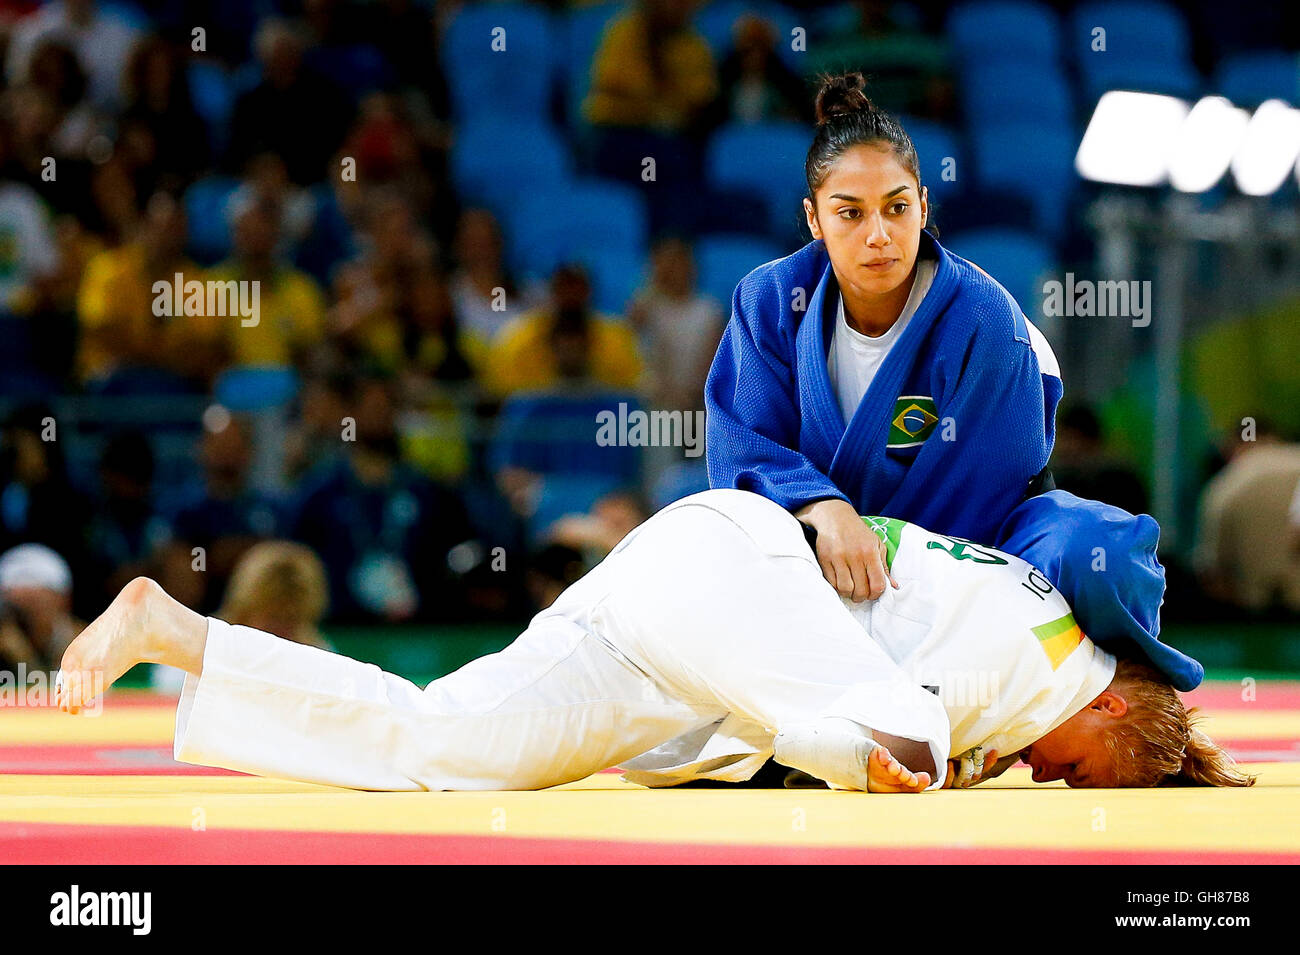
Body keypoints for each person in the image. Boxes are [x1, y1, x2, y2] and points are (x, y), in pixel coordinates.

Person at [56, 489, 1252, 793]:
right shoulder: (1033, 656)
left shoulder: (1044, 654)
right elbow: (886, 730)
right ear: (1110, 708)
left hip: (679, 616)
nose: (1055, 780)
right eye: (1084, 774)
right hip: (732, 568)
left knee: (447, 744)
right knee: (916, 746)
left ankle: (179, 632)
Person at [703, 72, 1199, 694]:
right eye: (849, 214)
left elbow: (982, 492)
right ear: (813, 220)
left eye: (897, 207)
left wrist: (884, 567)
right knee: (704, 543)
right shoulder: (771, 301)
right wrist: (821, 506)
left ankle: (1125, 693)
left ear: (924, 207)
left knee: (1094, 550)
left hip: (980, 549)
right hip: (819, 547)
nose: (878, 235)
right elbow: (740, 447)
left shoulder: (984, 321)